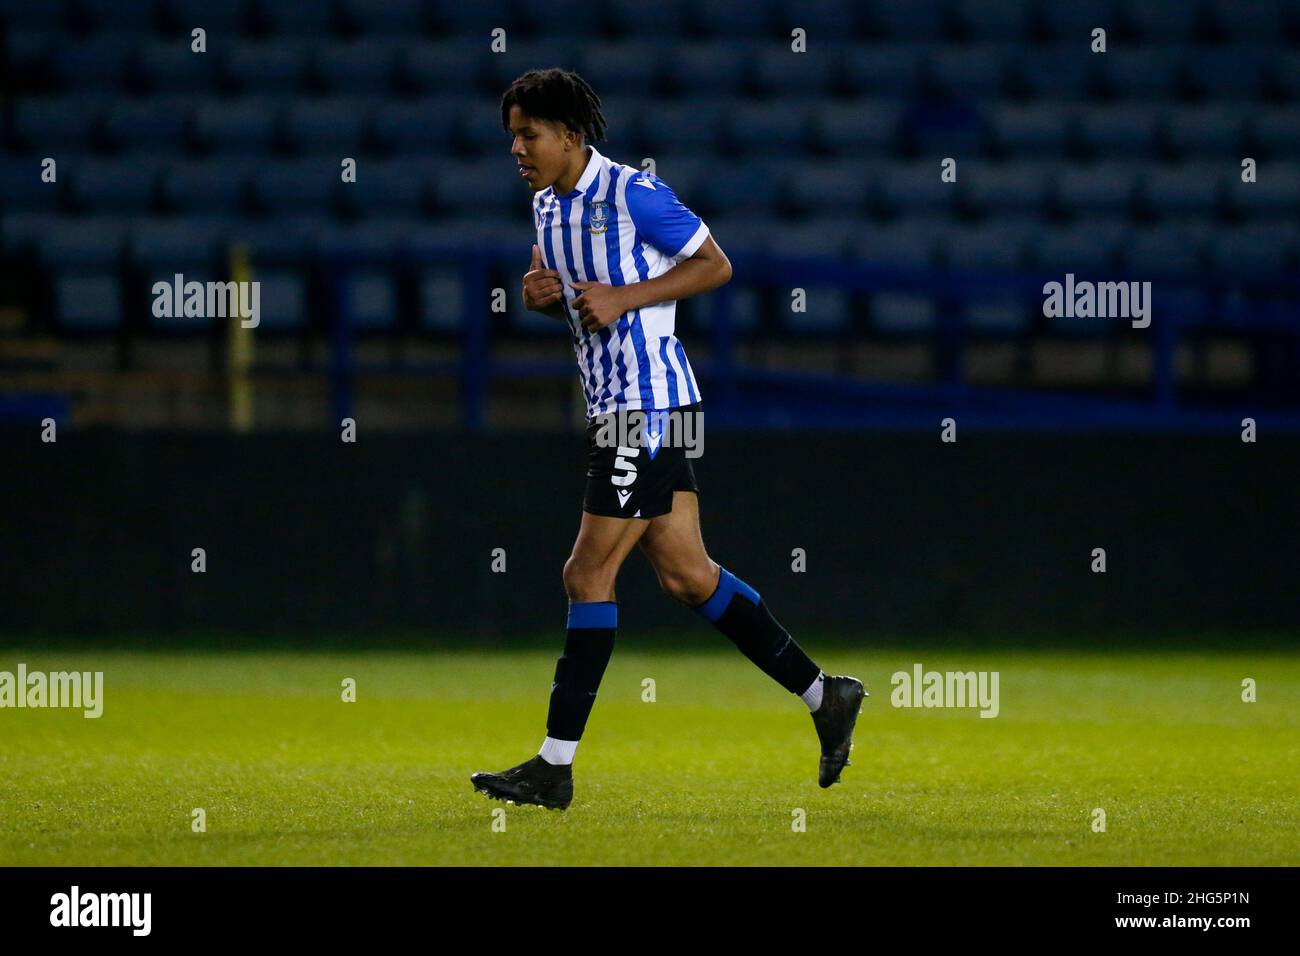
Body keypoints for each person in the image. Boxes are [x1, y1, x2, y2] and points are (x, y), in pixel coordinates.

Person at [471, 68, 865, 811]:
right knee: (688, 576)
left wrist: (628, 295)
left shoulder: (632, 194)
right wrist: (542, 298)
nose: (517, 149)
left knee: (585, 576)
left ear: (570, 135)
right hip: (637, 406)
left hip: (644, 406)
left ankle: (555, 766)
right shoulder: (546, 207)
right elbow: (578, 303)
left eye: (528, 135)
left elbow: (715, 265)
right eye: (511, 137)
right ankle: (825, 695)